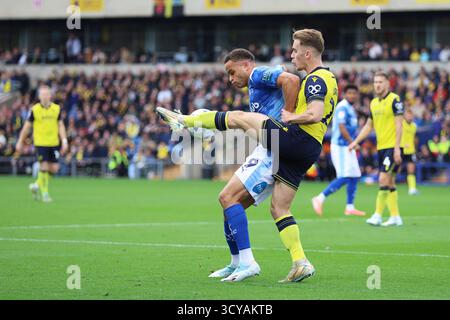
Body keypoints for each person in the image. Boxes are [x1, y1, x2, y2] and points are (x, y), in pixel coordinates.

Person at [157, 28, 338, 283]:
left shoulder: (296, 77)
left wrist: (289, 116)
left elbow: (307, 103)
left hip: (292, 140)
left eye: (295, 50)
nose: (292, 54)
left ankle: (184, 120)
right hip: (303, 149)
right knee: (277, 208)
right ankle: (300, 261)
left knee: (238, 122)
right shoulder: (322, 78)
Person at [208, 49, 300, 282]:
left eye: (232, 71)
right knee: (231, 204)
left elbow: (290, 79)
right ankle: (236, 262)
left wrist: (287, 115)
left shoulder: (258, 74)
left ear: (246, 65)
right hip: (269, 148)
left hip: (273, 149)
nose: (230, 78)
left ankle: (248, 263)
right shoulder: (256, 86)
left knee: (227, 197)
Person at [349, 71, 404, 227]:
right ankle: (395, 217)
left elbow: (399, 125)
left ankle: (378, 215)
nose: (377, 84)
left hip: (393, 147)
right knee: (391, 182)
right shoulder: (373, 103)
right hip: (381, 147)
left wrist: (397, 149)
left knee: (382, 178)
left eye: (380, 82)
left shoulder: (395, 100)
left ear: (387, 83)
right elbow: (368, 126)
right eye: (375, 82)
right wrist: (356, 141)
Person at [312, 84, 366, 216]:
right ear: (345, 94)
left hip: (348, 146)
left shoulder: (351, 109)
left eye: (354, 93)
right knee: (345, 176)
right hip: (341, 146)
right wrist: (352, 142)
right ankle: (319, 198)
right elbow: (342, 127)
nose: (352, 95)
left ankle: (350, 207)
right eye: (350, 93)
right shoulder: (342, 107)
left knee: (354, 175)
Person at [15, 85, 68, 202]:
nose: (44, 96)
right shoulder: (35, 110)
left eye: (46, 94)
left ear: (50, 95)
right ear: (39, 96)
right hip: (40, 143)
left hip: (54, 143)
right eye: (42, 94)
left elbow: (60, 125)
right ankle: (45, 194)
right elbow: (27, 127)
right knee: (43, 166)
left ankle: (36, 185)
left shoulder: (56, 109)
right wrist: (20, 141)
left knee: (54, 168)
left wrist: (64, 140)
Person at [401, 108, 419, 195]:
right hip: (400, 149)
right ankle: (389, 186)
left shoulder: (414, 126)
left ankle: (412, 189)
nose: (409, 117)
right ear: (404, 116)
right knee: (394, 169)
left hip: (410, 150)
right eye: (408, 115)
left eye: (411, 115)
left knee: (411, 169)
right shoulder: (400, 124)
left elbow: (415, 138)